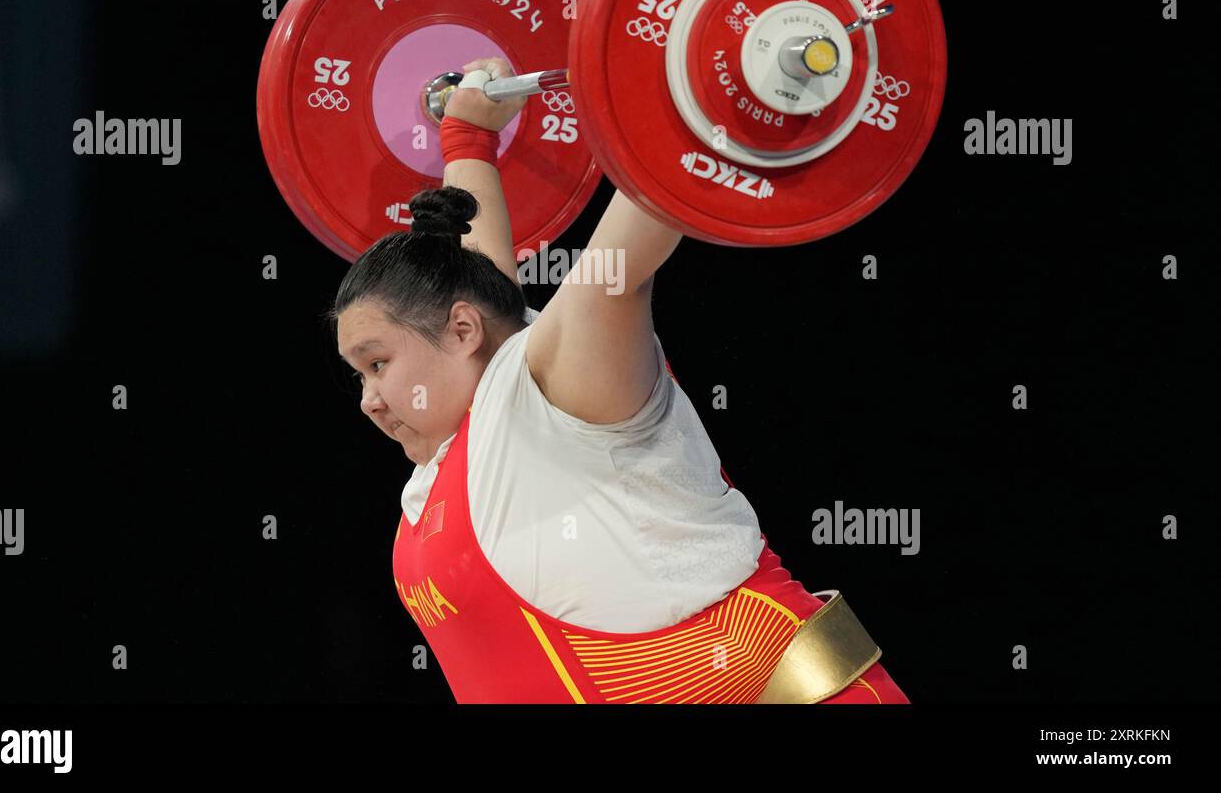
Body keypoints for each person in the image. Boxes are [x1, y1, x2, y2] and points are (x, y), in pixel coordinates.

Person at [329, 58, 909, 704]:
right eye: (357, 375)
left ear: (461, 333)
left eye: (377, 363)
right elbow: (480, 281)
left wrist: (722, 97)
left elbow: (620, 256)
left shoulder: (554, 395)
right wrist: (467, 135)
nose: (368, 400)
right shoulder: (473, 437)